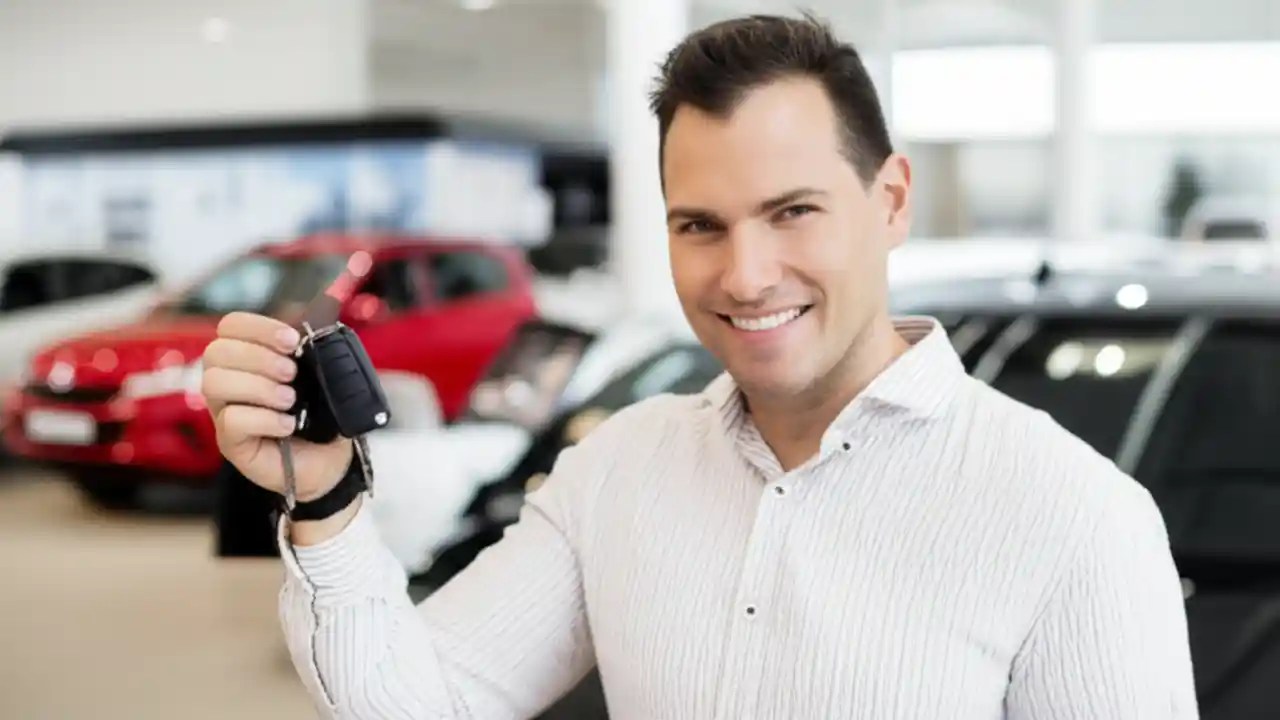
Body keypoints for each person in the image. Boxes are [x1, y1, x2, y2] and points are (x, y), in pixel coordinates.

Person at [201, 13, 1198, 719]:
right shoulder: (618, 470)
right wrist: (326, 503)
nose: (745, 274)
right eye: (699, 226)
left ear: (890, 199)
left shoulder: (1075, 519)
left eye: (791, 211)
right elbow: (424, 703)